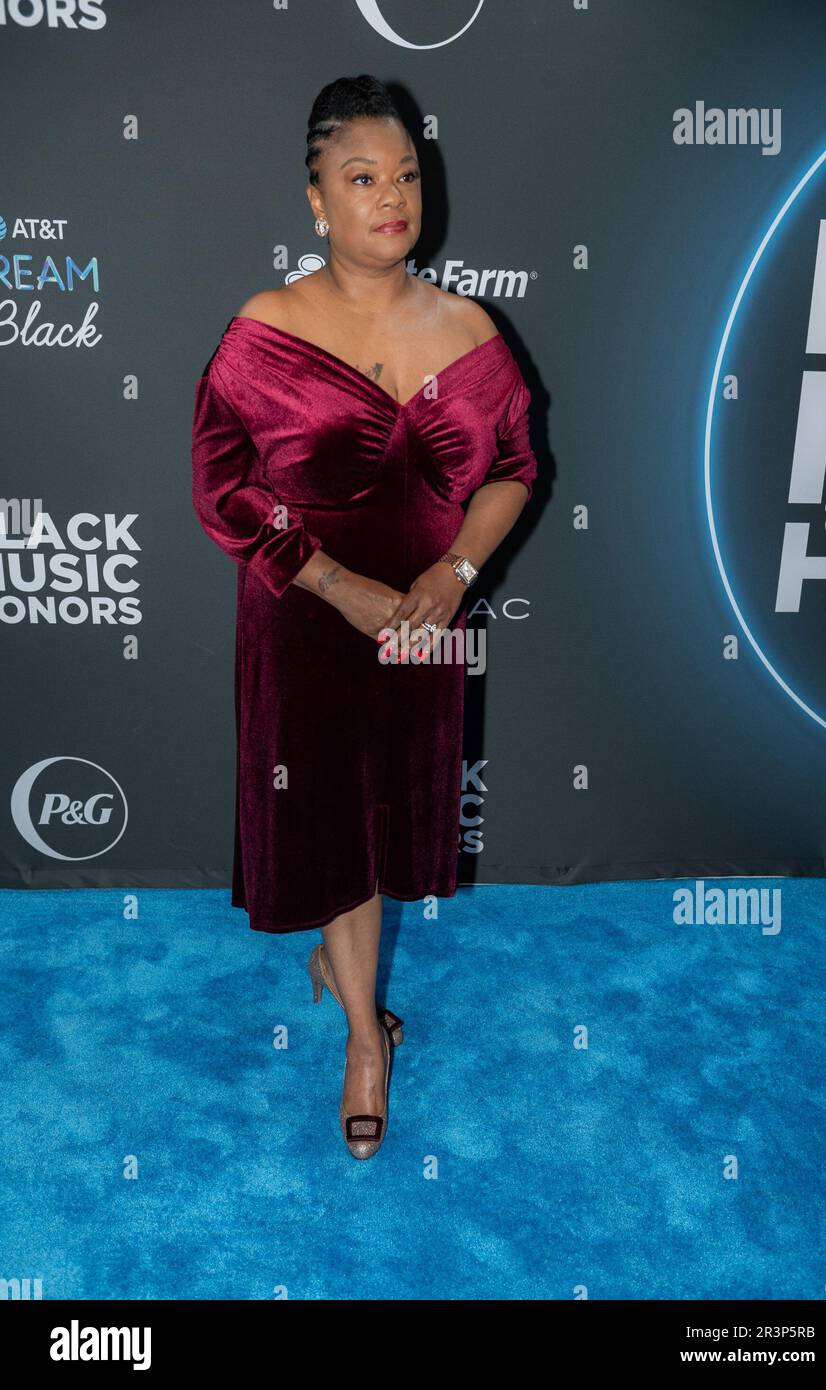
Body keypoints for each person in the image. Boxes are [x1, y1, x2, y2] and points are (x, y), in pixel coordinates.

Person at [190, 74, 538, 1159]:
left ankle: (349, 972)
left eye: (405, 175)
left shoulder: (471, 329)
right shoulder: (268, 326)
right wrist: (340, 585)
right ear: (314, 200)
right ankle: (363, 1039)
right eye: (360, 177)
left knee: (384, 831)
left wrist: (454, 574)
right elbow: (222, 488)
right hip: (304, 623)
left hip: (422, 629)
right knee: (331, 827)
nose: (390, 196)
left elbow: (517, 468)